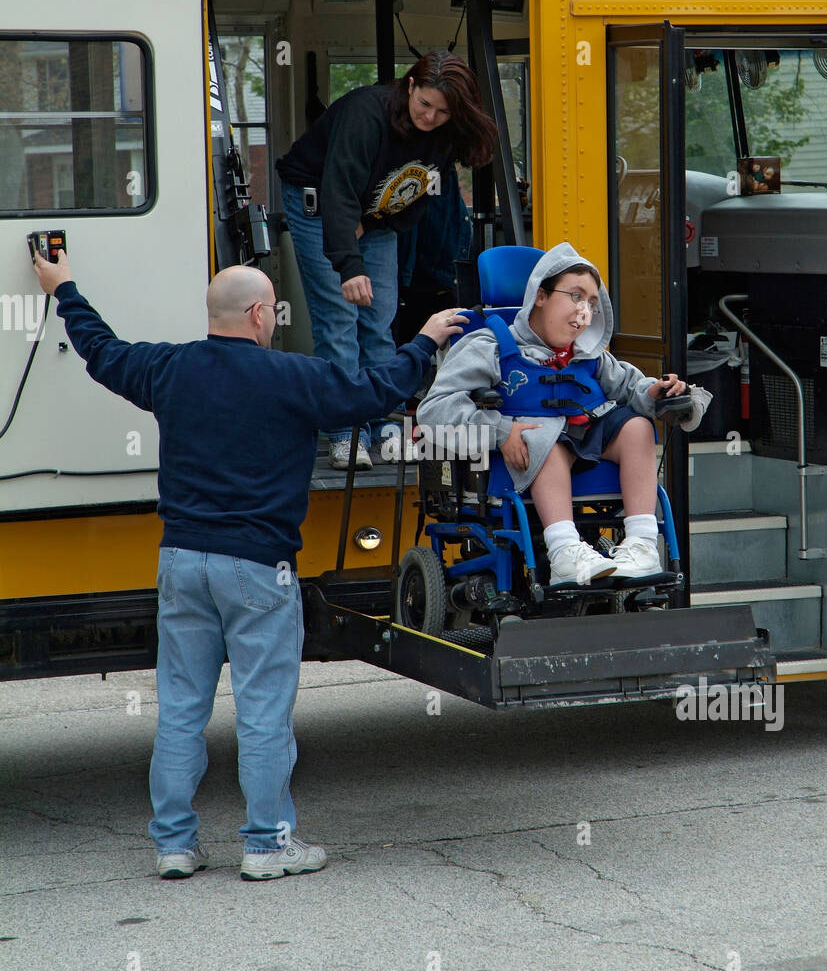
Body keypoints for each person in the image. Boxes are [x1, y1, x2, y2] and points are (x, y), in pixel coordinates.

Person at [32, 247, 465, 880]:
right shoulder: (292, 376)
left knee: (181, 708)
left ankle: (175, 845)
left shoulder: (168, 368)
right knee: (263, 712)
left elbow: (100, 349)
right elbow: (378, 391)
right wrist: (425, 342)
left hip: (181, 562)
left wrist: (63, 286)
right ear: (260, 314)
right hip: (258, 568)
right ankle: (266, 845)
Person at [417, 242, 711, 584]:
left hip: (585, 440)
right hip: (526, 453)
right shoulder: (489, 346)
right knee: (549, 441)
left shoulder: (589, 354)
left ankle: (642, 547)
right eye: (575, 296)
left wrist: (658, 392)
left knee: (638, 428)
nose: (584, 311)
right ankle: (564, 553)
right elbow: (434, 409)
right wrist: (500, 430)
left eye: (590, 302)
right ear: (540, 295)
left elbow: (631, 387)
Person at [276, 49, 496, 469]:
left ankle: (383, 429)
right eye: (424, 104)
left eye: (442, 111)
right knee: (338, 321)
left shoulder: (443, 136)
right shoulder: (365, 113)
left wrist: (374, 220)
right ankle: (344, 433)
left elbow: (417, 192)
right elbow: (337, 189)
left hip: (374, 214)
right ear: (410, 86)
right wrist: (349, 265)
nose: (429, 117)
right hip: (318, 203)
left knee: (378, 322)